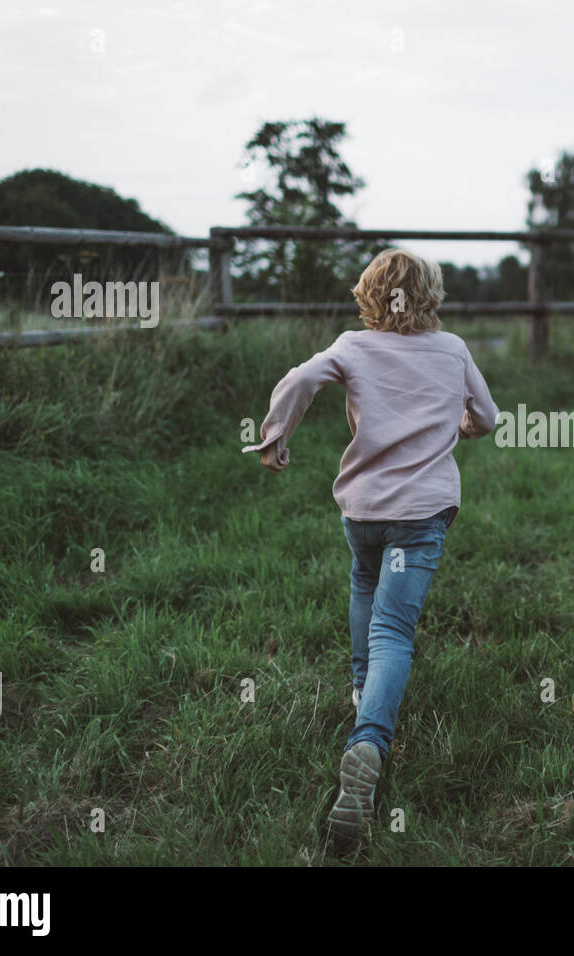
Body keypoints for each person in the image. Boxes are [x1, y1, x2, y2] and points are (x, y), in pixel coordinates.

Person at [243, 248, 499, 853]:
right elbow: (487, 416)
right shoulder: (453, 349)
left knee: (363, 584)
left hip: (363, 512)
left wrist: (274, 436)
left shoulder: (353, 348)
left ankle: (362, 688)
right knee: (394, 630)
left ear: (370, 296)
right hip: (419, 517)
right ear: (430, 295)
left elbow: (301, 379)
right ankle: (369, 742)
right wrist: (463, 425)